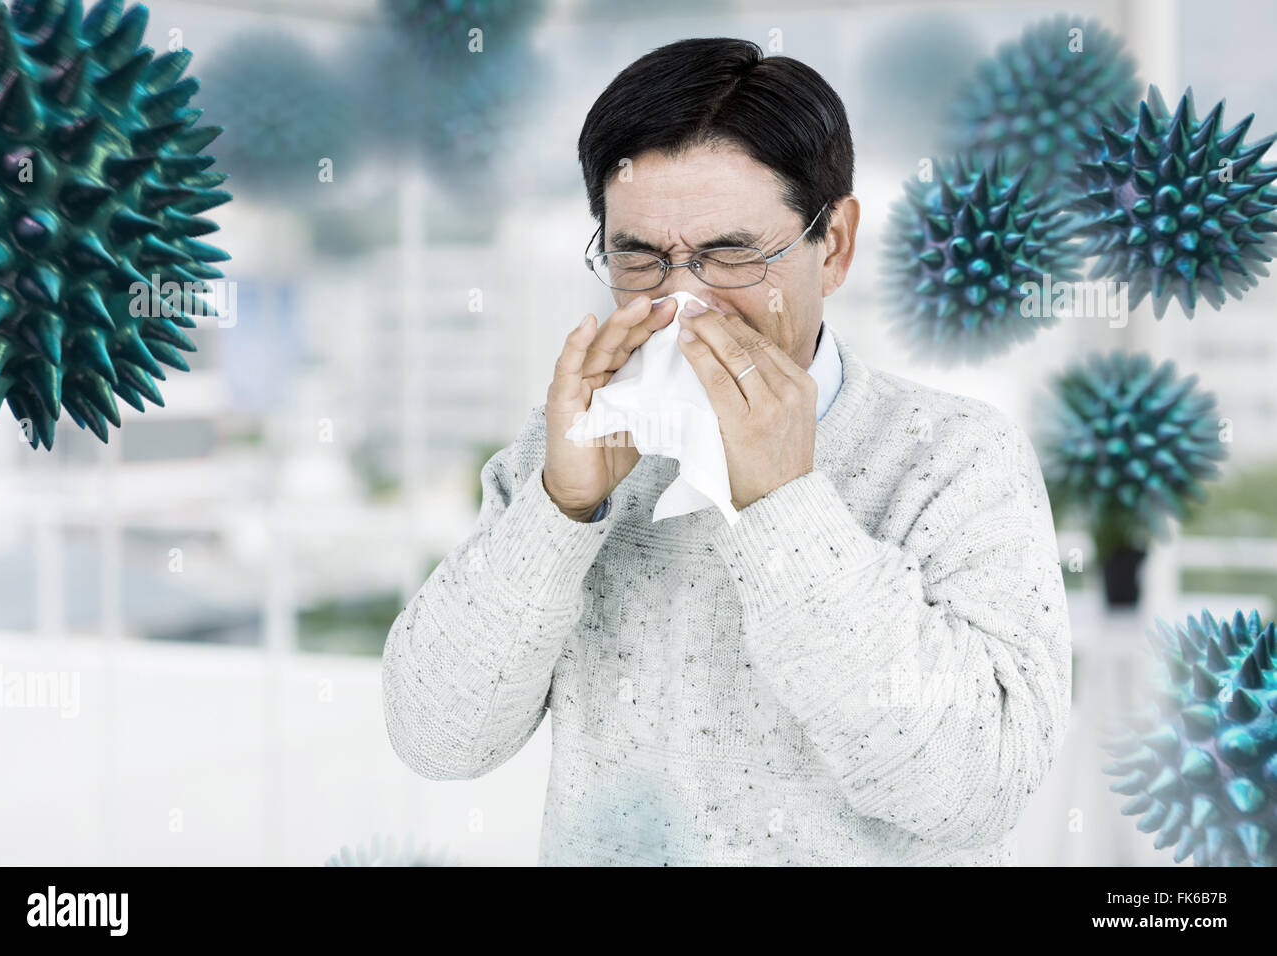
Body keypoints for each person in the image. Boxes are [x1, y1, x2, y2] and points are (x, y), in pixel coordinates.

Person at [382, 36, 1071, 865]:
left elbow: (973, 791)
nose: (683, 300)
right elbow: (438, 738)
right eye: (639, 258)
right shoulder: (561, 450)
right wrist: (559, 512)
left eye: (731, 255)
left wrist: (785, 503)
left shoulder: (958, 458)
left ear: (837, 244)